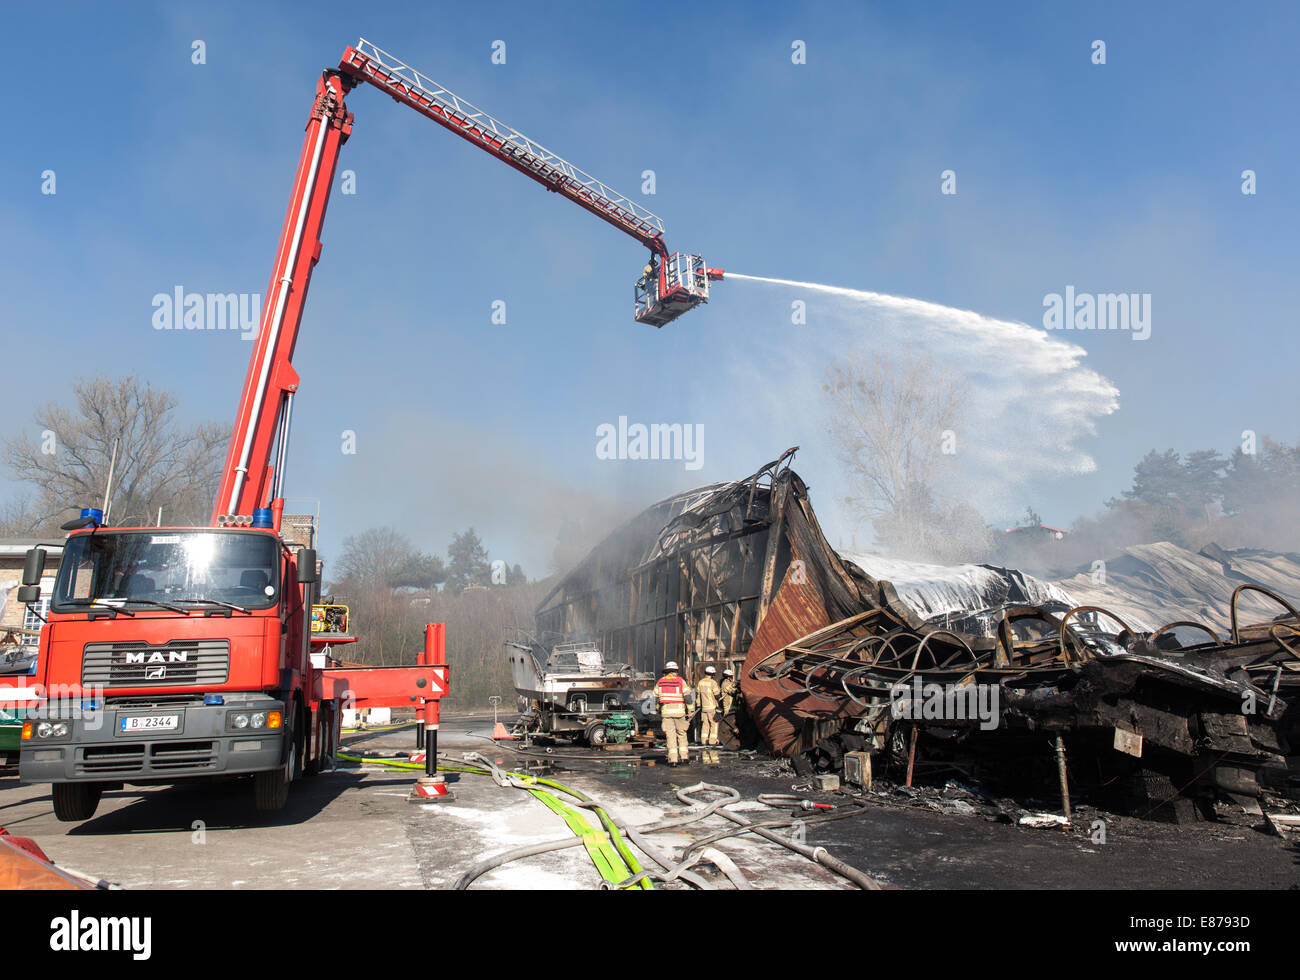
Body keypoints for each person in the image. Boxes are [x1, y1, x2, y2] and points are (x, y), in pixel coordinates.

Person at [654, 661, 691, 766]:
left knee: (670, 736)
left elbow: (656, 698)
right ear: (676, 671)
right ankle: (684, 758)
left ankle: (673, 760)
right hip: (680, 713)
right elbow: (687, 697)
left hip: (667, 714)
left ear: (666, 671)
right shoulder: (680, 681)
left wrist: (657, 709)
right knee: (682, 734)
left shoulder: (660, 682)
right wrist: (690, 711)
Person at [697, 666, 721, 747]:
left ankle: (703, 740)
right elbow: (717, 695)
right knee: (714, 724)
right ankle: (712, 741)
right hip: (712, 707)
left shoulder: (700, 682)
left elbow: (698, 695)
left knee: (705, 724)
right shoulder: (713, 683)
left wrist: (698, 705)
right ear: (713, 674)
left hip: (704, 708)